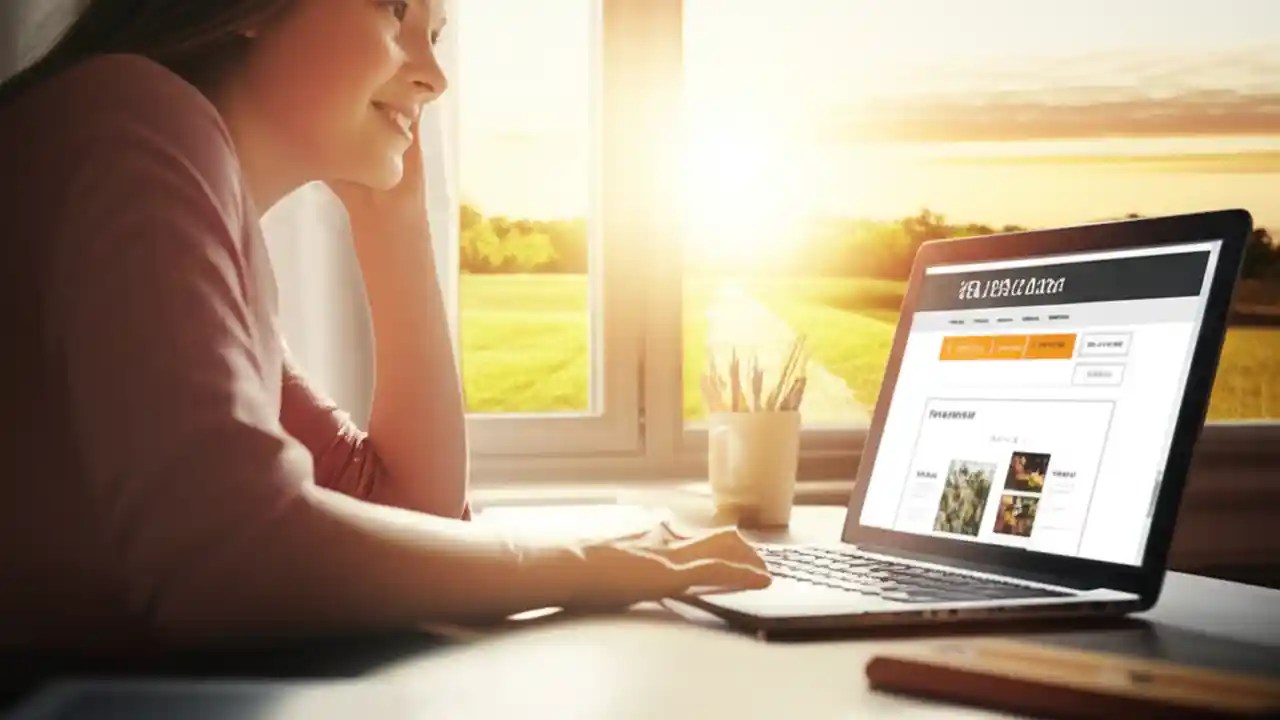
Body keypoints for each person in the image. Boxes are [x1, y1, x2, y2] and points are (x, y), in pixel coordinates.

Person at [0, 0, 769, 651]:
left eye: (435, 37)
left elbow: (406, 517)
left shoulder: (183, 191)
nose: (433, 77)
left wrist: (393, 219)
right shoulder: (132, 117)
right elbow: (231, 549)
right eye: (396, 9)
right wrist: (577, 560)